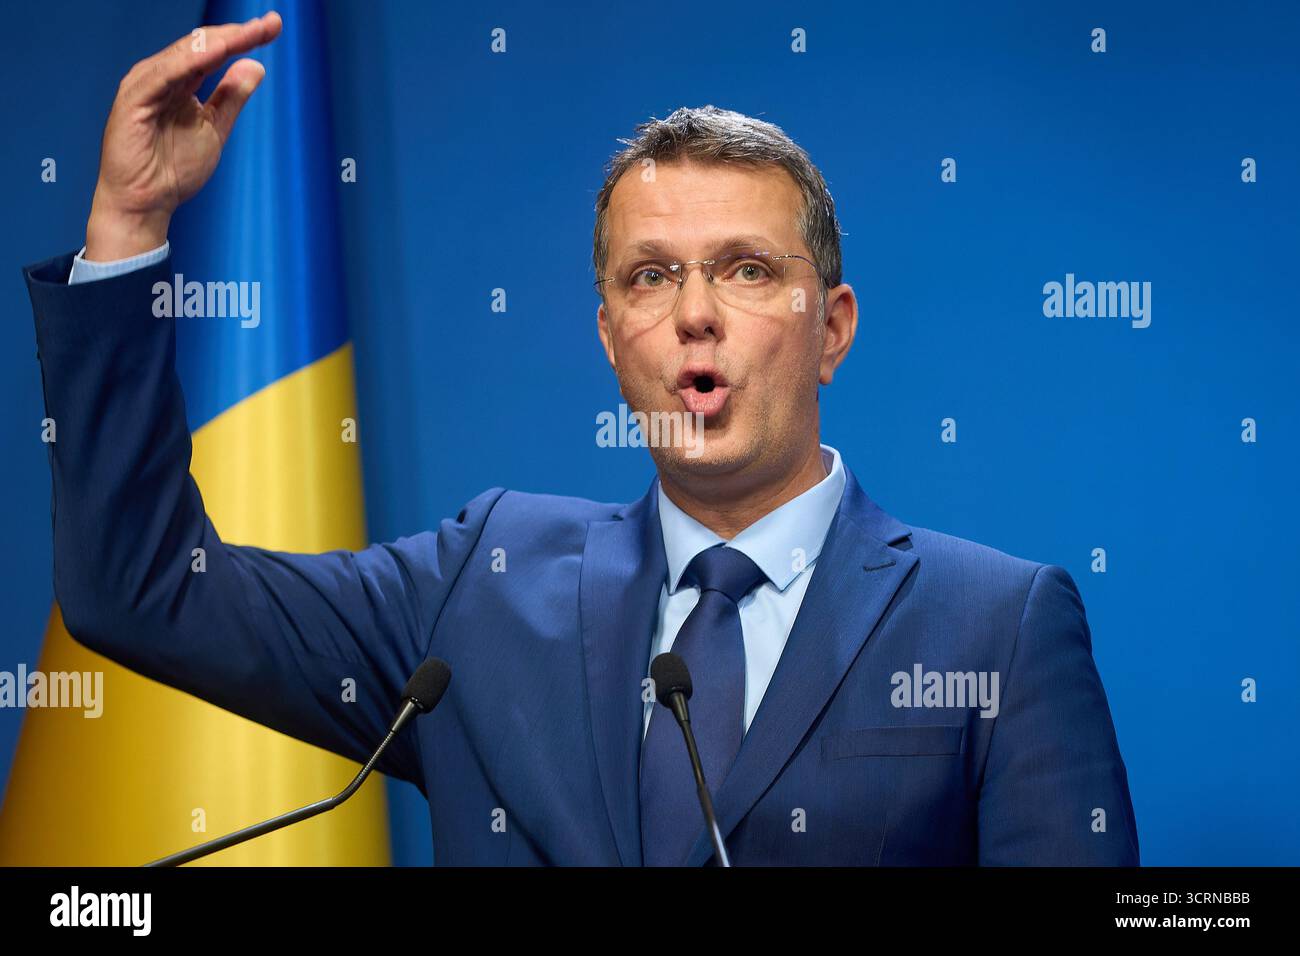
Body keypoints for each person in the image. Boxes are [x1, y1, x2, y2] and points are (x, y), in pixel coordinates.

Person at [22, 11, 1138, 866]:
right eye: (651, 277)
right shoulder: (480, 587)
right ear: (613, 336)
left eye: (747, 270)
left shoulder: (995, 624)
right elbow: (142, 590)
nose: (694, 312)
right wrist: (129, 235)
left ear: (830, 327)